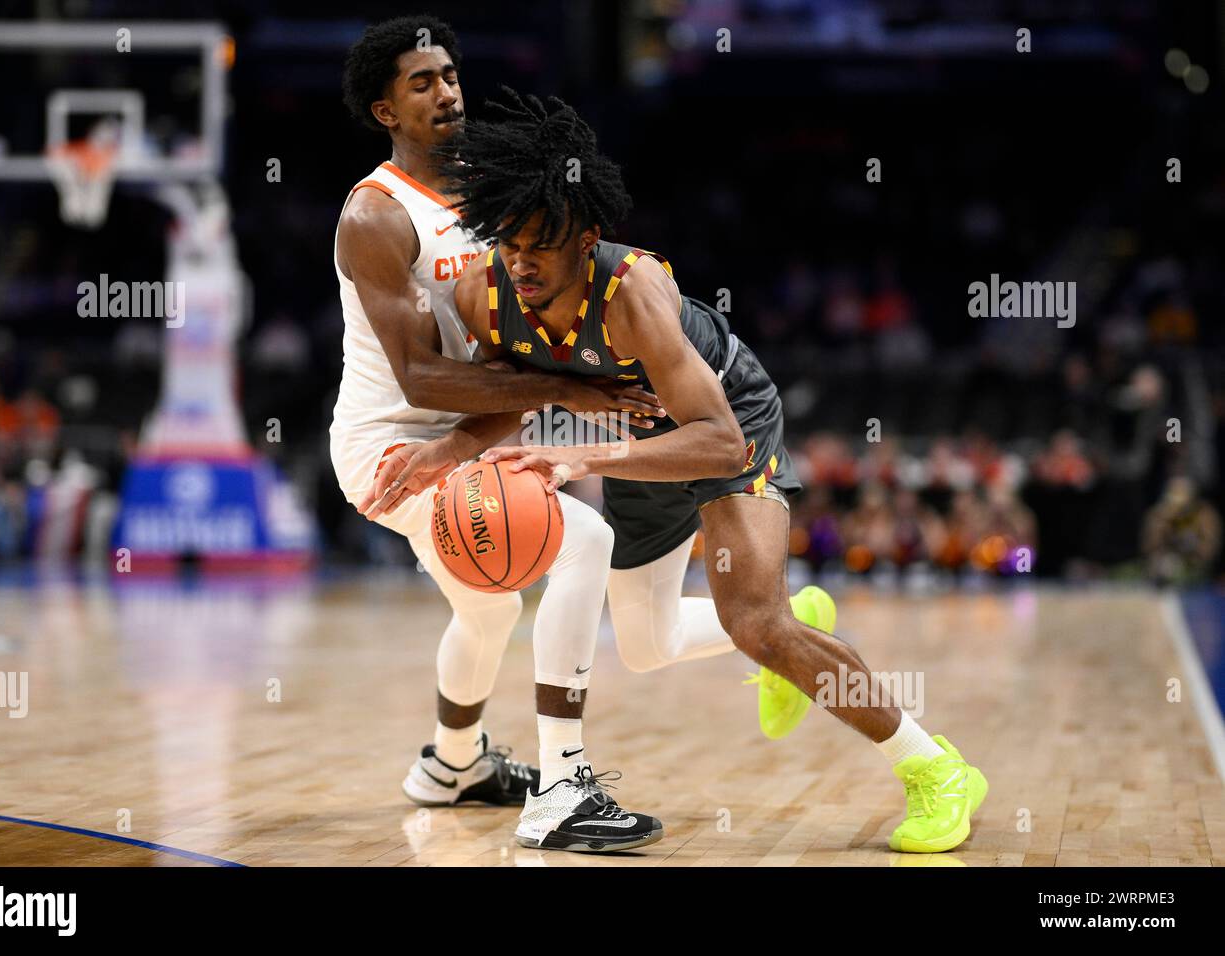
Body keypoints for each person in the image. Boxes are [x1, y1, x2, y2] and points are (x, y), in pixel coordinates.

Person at [369, 88, 988, 852]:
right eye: (510, 241)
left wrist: (579, 454)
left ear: (586, 235)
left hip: (729, 422)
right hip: (636, 441)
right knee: (646, 644)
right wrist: (446, 451)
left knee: (757, 622)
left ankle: (934, 767)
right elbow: (512, 396)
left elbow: (718, 441)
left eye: (542, 241)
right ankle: (796, 622)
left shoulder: (630, 293)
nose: (522, 259)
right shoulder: (486, 293)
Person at [332, 17, 669, 849]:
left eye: (449, 74)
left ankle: (451, 767)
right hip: (396, 446)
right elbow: (421, 375)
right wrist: (573, 388)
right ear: (385, 111)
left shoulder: (490, 187)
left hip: (479, 425)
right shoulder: (375, 217)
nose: (445, 91)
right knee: (581, 538)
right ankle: (561, 787)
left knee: (486, 613)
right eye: (421, 82)